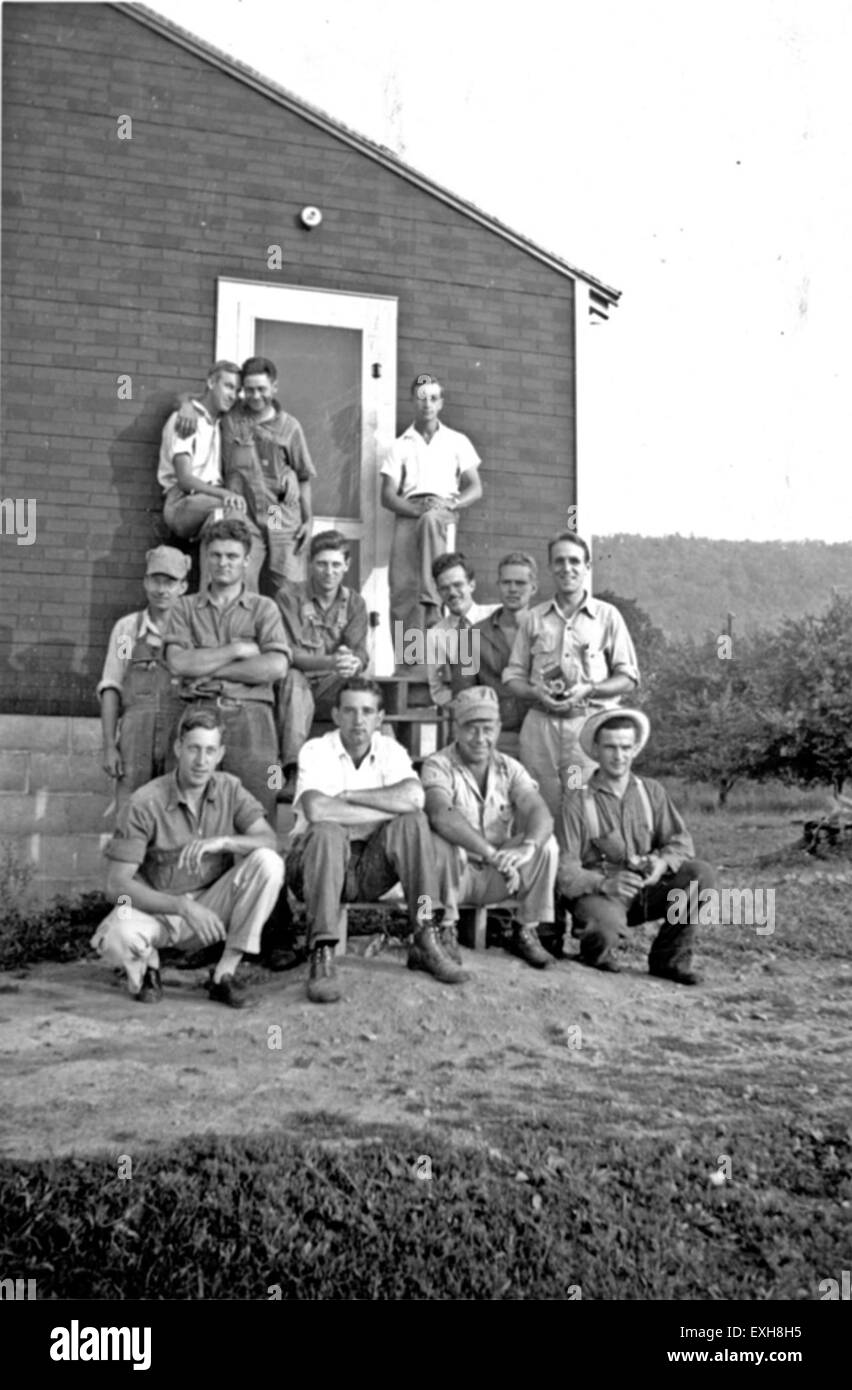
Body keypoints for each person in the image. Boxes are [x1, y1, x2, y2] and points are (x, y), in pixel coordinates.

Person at [285, 677, 468, 1003]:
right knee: (327, 831)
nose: (359, 720)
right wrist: (383, 808)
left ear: (380, 718)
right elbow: (317, 809)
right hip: (316, 868)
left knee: (412, 822)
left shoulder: (390, 750)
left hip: (371, 866)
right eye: (351, 711)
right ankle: (322, 952)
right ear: (337, 714)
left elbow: (414, 800)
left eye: (367, 711)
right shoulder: (316, 749)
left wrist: (350, 795)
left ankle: (425, 935)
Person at [90, 708, 284, 1008]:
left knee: (268, 863)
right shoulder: (144, 802)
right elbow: (116, 886)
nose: (201, 760)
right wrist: (182, 907)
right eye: (193, 748)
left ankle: (224, 974)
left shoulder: (229, 788)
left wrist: (224, 842)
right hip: (157, 910)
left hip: (210, 908)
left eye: (209, 751)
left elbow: (269, 840)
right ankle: (149, 967)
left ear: (220, 754)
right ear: (179, 749)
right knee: (117, 936)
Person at [556, 709, 717, 984]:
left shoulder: (651, 791)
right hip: (602, 894)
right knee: (604, 929)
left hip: (646, 890)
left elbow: (680, 842)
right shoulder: (577, 801)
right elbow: (564, 869)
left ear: (635, 749)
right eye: (610, 747)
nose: (619, 756)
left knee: (699, 874)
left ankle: (669, 961)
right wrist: (604, 884)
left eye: (625, 747)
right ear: (596, 750)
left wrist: (662, 864)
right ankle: (596, 956)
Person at [421, 685, 559, 969]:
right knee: (440, 842)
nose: (480, 738)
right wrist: (490, 853)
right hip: (453, 879)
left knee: (547, 844)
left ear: (498, 729)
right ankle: (445, 927)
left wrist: (526, 849)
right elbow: (440, 814)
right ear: (455, 729)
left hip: (501, 876)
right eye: (471, 728)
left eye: (488, 729)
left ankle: (524, 928)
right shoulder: (438, 764)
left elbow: (538, 810)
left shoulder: (510, 767)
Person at [162, 517, 290, 821]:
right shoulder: (185, 607)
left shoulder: (264, 608)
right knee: (189, 810)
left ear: (246, 560)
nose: (223, 563)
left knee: (260, 806)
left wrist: (210, 670)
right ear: (206, 558)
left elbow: (277, 666)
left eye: (232, 556)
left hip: (254, 721)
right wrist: (235, 651)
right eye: (216, 555)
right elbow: (178, 662)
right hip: (198, 713)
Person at [503, 532, 640, 816]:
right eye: (560, 561)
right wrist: (535, 692)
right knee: (538, 805)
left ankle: (582, 861)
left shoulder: (607, 616)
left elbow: (628, 677)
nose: (568, 568)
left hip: (586, 729)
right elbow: (512, 676)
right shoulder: (534, 619)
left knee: (583, 805)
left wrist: (590, 688)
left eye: (575, 561)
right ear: (551, 567)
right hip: (540, 731)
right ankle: (544, 859)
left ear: (587, 567)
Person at [381, 373, 483, 632]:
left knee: (453, 586)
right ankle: (408, 665)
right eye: (421, 398)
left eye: (433, 398)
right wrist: (415, 508)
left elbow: (475, 487)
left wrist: (453, 504)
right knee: (402, 589)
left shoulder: (456, 440)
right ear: (413, 402)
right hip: (410, 509)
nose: (427, 404)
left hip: (442, 508)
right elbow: (388, 495)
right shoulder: (400, 444)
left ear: (441, 403)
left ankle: (432, 603)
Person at [98, 546, 190, 813]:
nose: (162, 589)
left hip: (179, 731)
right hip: (135, 733)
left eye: (170, 582)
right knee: (130, 813)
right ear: (145, 582)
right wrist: (108, 746)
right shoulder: (128, 630)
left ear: (183, 586)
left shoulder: (193, 628)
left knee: (176, 813)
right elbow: (112, 687)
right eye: (156, 580)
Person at [275, 530, 369, 789]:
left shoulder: (355, 603)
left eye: (336, 564)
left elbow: (360, 652)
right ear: (310, 564)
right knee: (292, 679)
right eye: (322, 564)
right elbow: (291, 655)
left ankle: (362, 767)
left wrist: (354, 663)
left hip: (332, 686)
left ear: (347, 566)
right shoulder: (289, 597)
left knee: (362, 686)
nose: (329, 571)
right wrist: (331, 661)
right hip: (297, 685)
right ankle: (293, 769)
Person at [447, 551, 538, 752]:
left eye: (520, 583)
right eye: (506, 583)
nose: (512, 589)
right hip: (493, 737)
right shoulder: (471, 636)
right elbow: (462, 695)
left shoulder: (548, 632)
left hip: (540, 733)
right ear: (498, 585)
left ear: (533, 588)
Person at [158, 362, 244, 541]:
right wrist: (225, 494)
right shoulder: (186, 420)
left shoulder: (223, 421)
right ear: (211, 383)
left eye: (237, 390)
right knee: (231, 512)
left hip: (210, 499)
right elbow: (185, 479)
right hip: (182, 501)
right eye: (228, 387)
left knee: (226, 527)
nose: (233, 396)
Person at [427, 553, 498, 710]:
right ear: (438, 592)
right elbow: (438, 689)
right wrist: (463, 707)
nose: (452, 593)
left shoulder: (496, 617)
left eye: (458, 585)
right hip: (464, 714)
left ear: (471, 584)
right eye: (445, 588)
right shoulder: (436, 635)